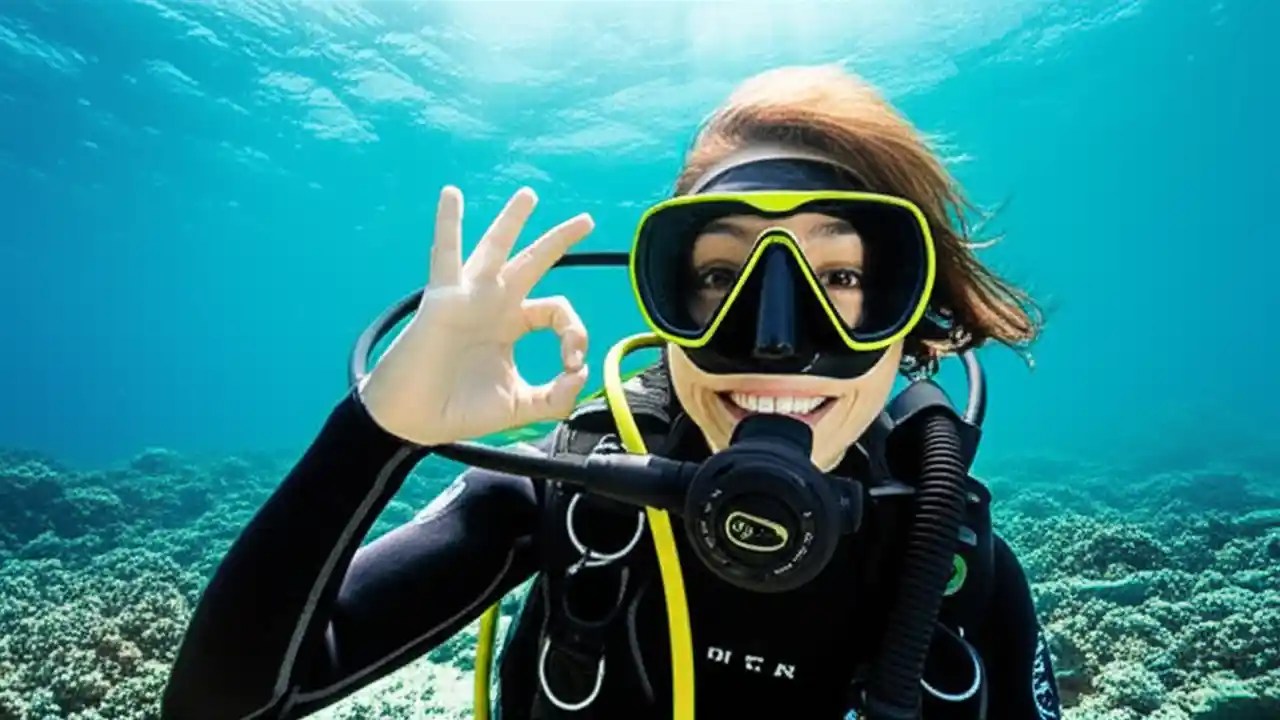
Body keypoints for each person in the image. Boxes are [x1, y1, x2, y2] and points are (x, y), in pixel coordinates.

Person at [161, 65, 1061, 720]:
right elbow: (224, 706)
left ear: (913, 311)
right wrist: (380, 430)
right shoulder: (581, 487)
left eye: (841, 278)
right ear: (668, 300)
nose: (776, 344)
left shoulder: (953, 574)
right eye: (717, 277)